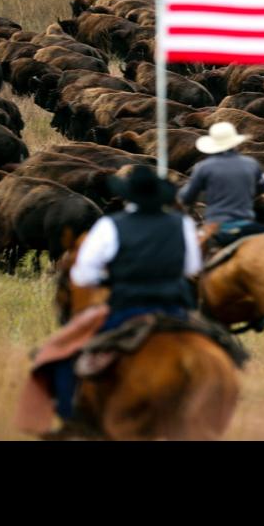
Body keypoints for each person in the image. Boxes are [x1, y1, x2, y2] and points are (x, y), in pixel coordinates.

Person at [48, 164, 203, 433]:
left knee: (66, 356)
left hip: (125, 307)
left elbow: (84, 274)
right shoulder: (183, 224)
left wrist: (108, 279)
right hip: (173, 308)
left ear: (127, 196)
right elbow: (191, 268)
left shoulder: (111, 226)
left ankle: (70, 419)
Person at [178, 121, 264, 250]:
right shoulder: (251, 164)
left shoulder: (204, 167)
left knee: (190, 255)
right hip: (248, 223)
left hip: (217, 226)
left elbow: (187, 197)